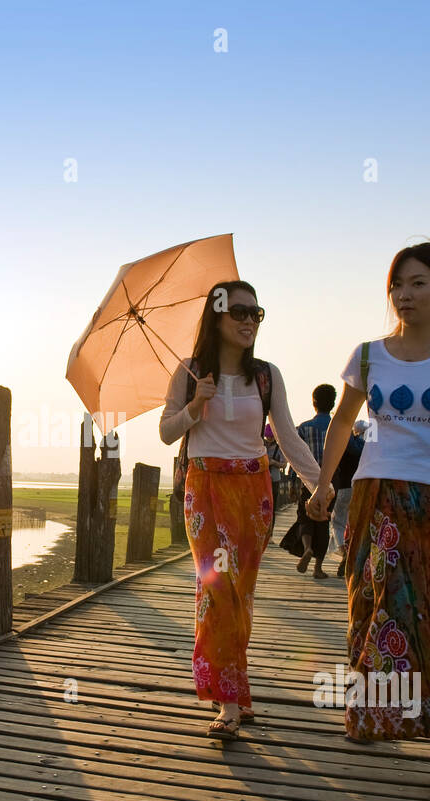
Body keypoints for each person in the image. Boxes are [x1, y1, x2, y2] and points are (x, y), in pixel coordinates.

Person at [306, 241, 430, 801]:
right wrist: (322, 482)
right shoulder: (367, 355)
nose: (404, 295)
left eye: (418, 284)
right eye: (396, 285)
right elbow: (342, 425)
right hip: (375, 494)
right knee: (375, 610)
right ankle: (376, 716)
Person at [161, 280, 333, 740]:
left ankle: (232, 689)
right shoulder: (190, 372)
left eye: (255, 313)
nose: (247, 321)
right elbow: (165, 431)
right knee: (216, 590)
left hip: (254, 492)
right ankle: (230, 701)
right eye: (238, 312)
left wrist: (320, 484)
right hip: (205, 488)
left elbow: (288, 436)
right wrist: (197, 404)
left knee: (242, 593)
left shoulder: (267, 375)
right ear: (216, 316)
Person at [287, 385, 337, 579]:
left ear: (313, 403)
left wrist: (292, 481)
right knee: (324, 522)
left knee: (305, 517)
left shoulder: (304, 428)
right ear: (333, 403)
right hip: (332, 482)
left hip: (307, 481)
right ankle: (318, 568)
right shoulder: (338, 427)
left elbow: (295, 457)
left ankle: (307, 547)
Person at [329, 420, 367, 576]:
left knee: (337, 523)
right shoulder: (363, 446)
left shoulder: (341, 444)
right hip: (358, 487)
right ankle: (352, 554)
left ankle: (344, 551)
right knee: (353, 523)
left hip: (342, 486)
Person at [264, 424, 288, 512]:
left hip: (274, 479)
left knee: (272, 505)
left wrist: (274, 462)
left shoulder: (279, 447)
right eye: (268, 437)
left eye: (271, 437)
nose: (269, 438)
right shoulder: (262, 445)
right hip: (262, 479)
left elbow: (284, 464)